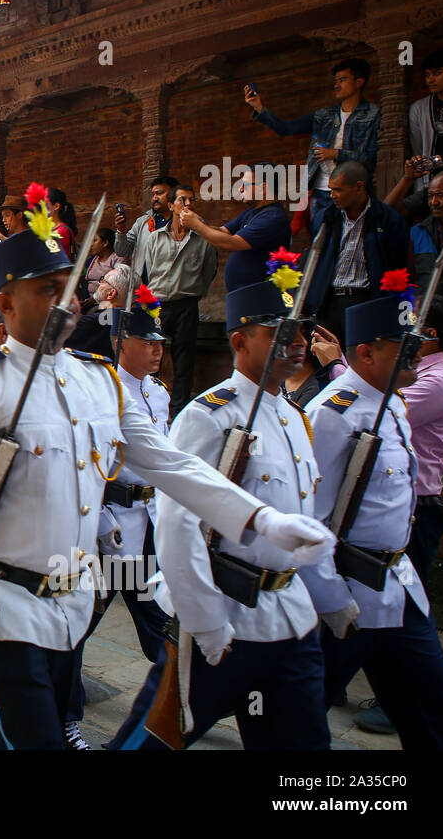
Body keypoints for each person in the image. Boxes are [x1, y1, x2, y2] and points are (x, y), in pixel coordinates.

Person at [0, 188, 332, 750]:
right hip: (5, 610)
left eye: (69, 289)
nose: (66, 304)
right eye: (45, 292)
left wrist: (258, 519)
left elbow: (170, 464)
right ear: (6, 305)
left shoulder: (99, 380)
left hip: (74, 605)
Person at [111, 263, 334, 750]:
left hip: (291, 621)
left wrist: (330, 598)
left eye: (299, 328)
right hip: (226, 620)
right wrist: (206, 621)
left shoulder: (296, 419)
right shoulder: (210, 416)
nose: (295, 340)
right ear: (239, 342)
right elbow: (178, 523)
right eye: (276, 330)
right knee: (156, 740)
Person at [302, 277, 443, 749]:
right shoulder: (336, 411)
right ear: (366, 354)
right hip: (349, 591)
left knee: (436, 703)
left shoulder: (389, 404)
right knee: (302, 709)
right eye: (401, 347)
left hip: (398, 586)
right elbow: (311, 516)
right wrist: (330, 598)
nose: (414, 356)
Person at [65, 285, 173, 750]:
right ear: (120, 343)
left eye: (160, 343)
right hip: (110, 526)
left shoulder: (160, 394)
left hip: (148, 526)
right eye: (146, 342)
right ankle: (65, 716)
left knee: (158, 617)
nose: (156, 352)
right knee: (78, 623)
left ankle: (180, 696)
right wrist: (103, 516)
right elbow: (90, 463)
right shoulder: (103, 391)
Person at [115, 177, 217, 417]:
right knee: (149, 356)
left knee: (184, 361)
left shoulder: (203, 238)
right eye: (183, 200)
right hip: (157, 305)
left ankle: (178, 411)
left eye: (192, 200)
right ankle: (148, 407)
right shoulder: (154, 236)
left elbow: (208, 273)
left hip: (186, 305)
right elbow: (149, 270)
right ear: (172, 205)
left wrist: (191, 293)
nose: (188, 204)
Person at [247, 57, 381, 229]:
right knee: (320, 242)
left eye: (342, 80)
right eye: (335, 81)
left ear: (359, 82)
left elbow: (371, 158)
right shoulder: (323, 115)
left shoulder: (373, 114)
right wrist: (259, 108)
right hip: (321, 191)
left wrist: (336, 154)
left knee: (352, 239)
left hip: (352, 192)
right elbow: (286, 128)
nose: (336, 85)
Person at [304, 160, 408, 346]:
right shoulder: (326, 217)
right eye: (330, 189)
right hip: (328, 301)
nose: (332, 195)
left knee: (359, 357)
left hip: (365, 300)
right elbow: (318, 259)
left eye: (338, 190)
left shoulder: (388, 220)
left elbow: (397, 266)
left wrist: (386, 304)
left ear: (359, 187)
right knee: (324, 358)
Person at [399, 297, 443, 586]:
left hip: (416, 510)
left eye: (410, 320)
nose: (401, 326)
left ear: (431, 335)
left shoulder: (436, 382)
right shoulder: (417, 371)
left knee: (408, 600)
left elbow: (383, 412)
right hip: (401, 502)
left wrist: (336, 364)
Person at [181, 163, 291, 291]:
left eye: (246, 185)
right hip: (245, 295)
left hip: (260, 296)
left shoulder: (272, 217)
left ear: (263, 188)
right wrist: (197, 221)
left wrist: (197, 226)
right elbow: (223, 231)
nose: (241, 189)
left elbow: (232, 243)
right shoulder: (252, 211)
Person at [408, 46, 443, 193]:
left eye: (438, 73)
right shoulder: (419, 109)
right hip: (431, 185)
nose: (431, 79)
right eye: (428, 75)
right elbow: (418, 149)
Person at [66, 263, 133, 360]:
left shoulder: (90, 323)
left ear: (111, 293)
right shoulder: (132, 319)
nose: (99, 283)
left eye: (103, 281)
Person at [412, 168, 443, 301]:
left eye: (441, 195)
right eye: (431, 196)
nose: (434, 202)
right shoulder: (418, 233)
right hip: (428, 314)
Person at [282, 324, 346, 410]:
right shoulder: (275, 377)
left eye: (302, 333)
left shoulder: (316, 387)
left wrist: (335, 363)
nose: (299, 342)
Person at [82, 228, 125, 305]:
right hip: (89, 300)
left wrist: (96, 298)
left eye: (95, 241)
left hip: (107, 303)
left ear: (105, 243)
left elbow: (118, 285)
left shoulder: (117, 259)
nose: (91, 244)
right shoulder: (93, 259)